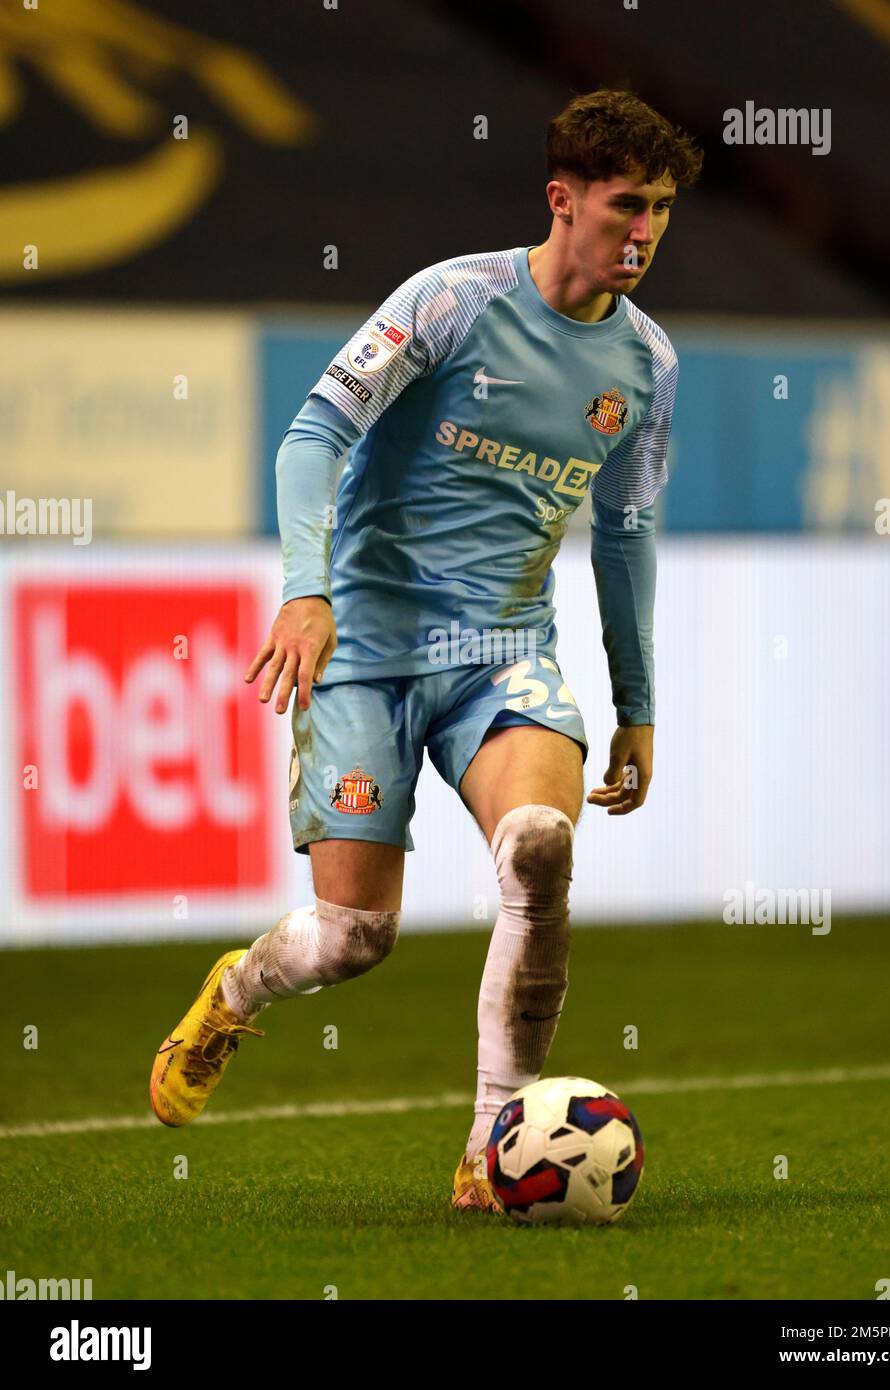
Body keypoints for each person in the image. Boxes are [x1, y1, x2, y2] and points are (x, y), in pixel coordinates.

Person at [149, 88, 702, 1212]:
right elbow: (316, 434)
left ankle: (495, 1138)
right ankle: (238, 992)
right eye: (625, 205)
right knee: (354, 936)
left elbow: (627, 537)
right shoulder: (450, 301)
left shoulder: (646, 365)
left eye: (662, 210)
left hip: (502, 655)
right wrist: (307, 593)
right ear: (562, 199)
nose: (643, 231)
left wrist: (636, 703)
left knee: (539, 848)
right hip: (363, 648)